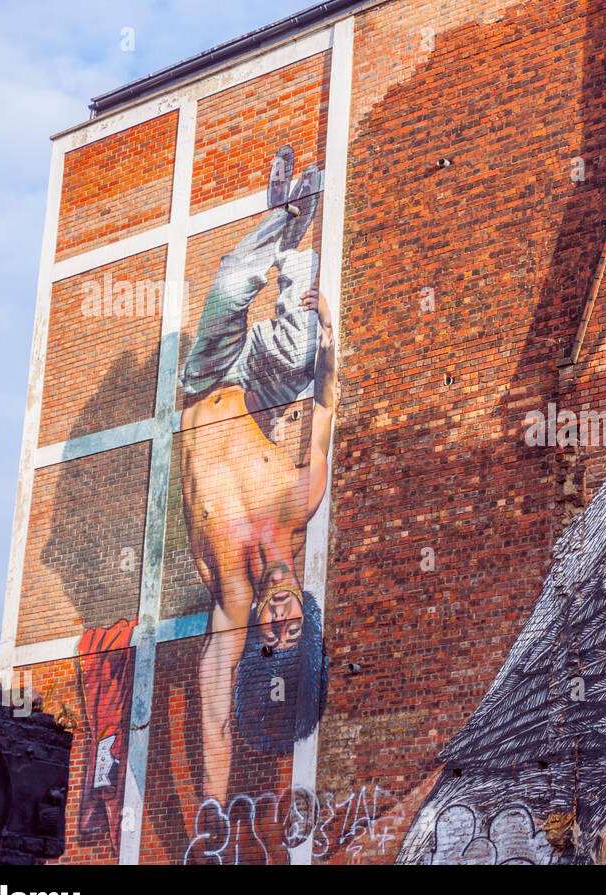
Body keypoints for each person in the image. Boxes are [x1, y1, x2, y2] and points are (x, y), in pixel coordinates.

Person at [178, 148, 334, 802]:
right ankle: (299, 238)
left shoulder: (234, 597)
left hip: (208, 381)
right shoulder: (299, 501)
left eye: (275, 636)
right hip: (260, 387)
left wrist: (212, 815)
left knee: (233, 283)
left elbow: (215, 713)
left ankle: (282, 216)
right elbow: (326, 407)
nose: (279, 620)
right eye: (294, 624)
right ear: (306, 609)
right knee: (302, 348)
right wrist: (332, 335)